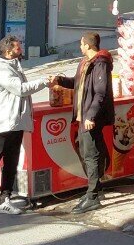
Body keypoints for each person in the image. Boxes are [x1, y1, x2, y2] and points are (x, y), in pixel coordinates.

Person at [0, 35, 47, 220]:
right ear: (8, 51)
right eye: (18, 48)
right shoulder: (1, 69)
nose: (20, 50)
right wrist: (44, 81)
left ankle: (4, 201)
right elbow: (21, 89)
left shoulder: (12, 64)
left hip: (14, 123)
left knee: (11, 163)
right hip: (1, 124)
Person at [49, 32, 114, 214]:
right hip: (82, 117)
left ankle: (92, 196)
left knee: (91, 155)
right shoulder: (85, 63)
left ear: (88, 45)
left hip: (89, 119)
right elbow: (77, 84)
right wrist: (59, 80)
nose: (80, 47)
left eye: (81, 44)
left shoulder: (100, 63)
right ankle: (96, 188)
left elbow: (100, 93)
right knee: (88, 152)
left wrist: (90, 116)